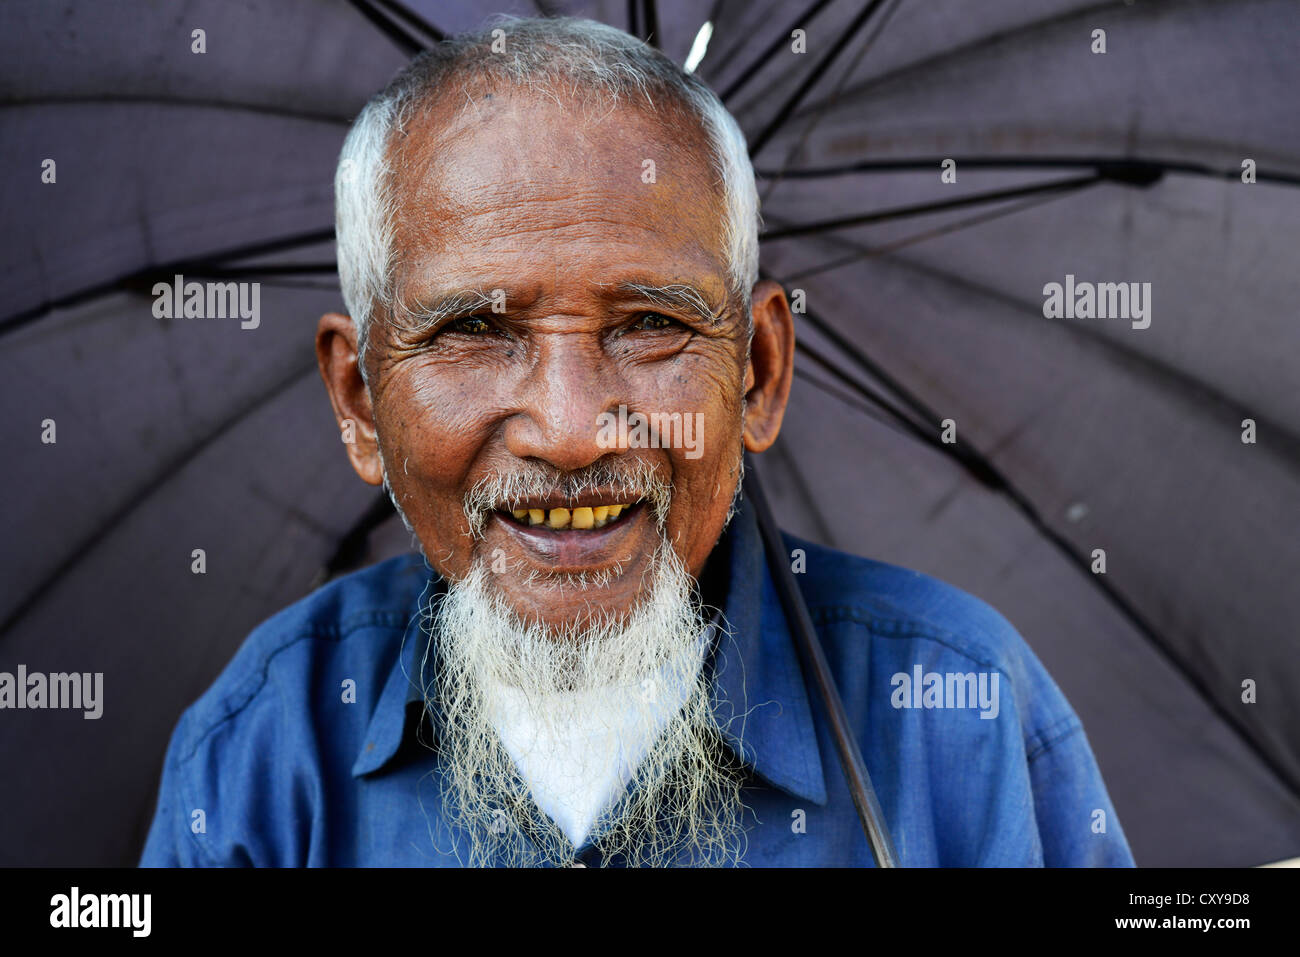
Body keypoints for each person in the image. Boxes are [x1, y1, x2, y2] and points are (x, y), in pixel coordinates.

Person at [140, 16, 1134, 867]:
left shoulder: (958, 719)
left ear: (758, 371)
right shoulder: (267, 747)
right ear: (359, 398)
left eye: (651, 324)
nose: (572, 432)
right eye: (475, 332)